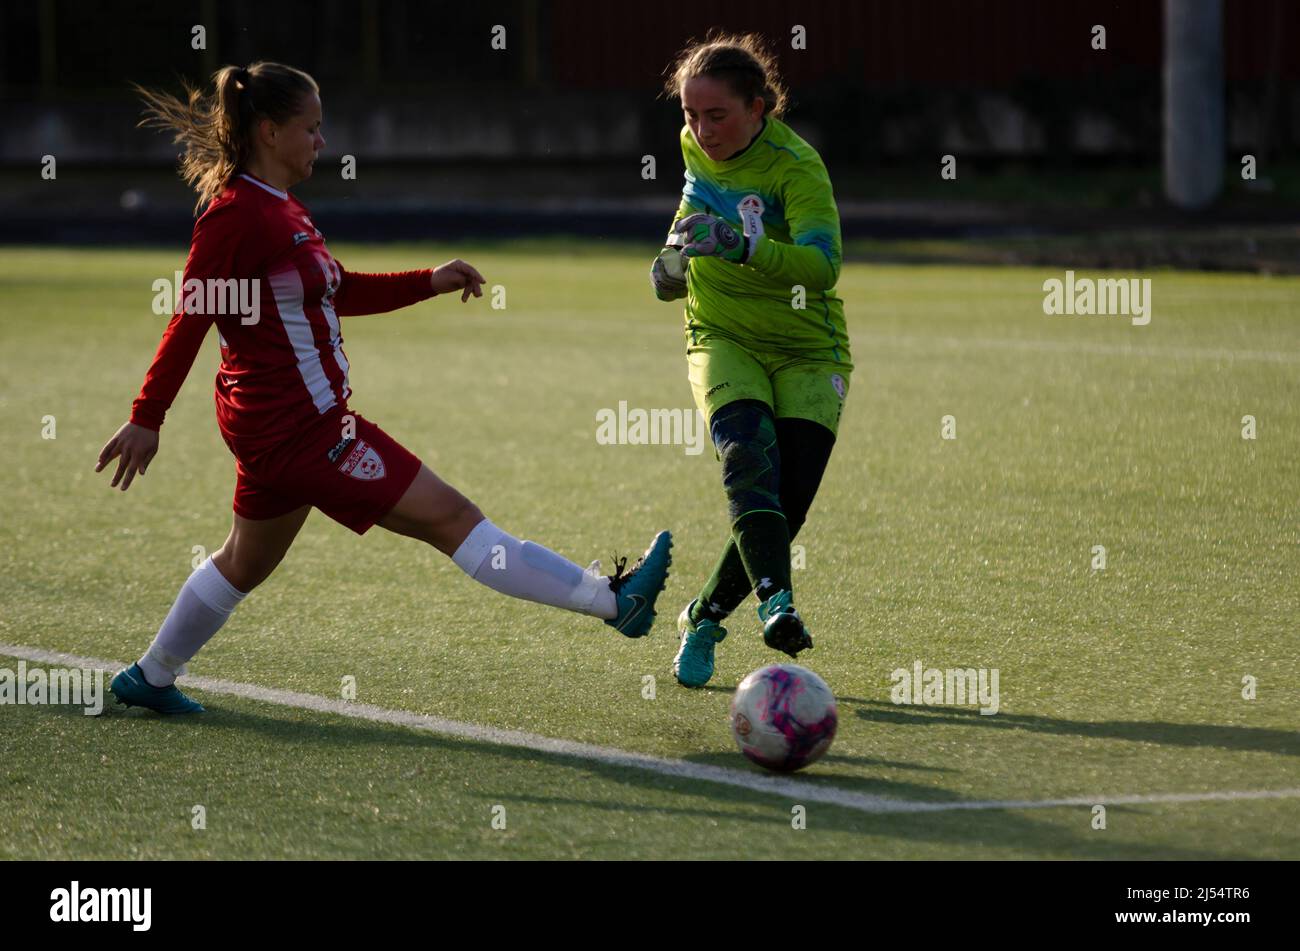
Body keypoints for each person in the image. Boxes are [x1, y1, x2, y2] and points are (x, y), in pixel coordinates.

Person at [99, 61, 672, 715]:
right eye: (310, 129)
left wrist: (428, 279)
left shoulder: (279, 208)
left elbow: (336, 289)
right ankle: (614, 601)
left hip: (277, 428)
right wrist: (148, 415)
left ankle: (150, 675)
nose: (322, 142)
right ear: (268, 131)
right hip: (304, 431)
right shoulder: (235, 217)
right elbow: (191, 314)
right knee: (454, 518)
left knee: (242, 561)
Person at [650, 35, 851, 688]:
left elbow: (822, 268)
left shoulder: (798, 167)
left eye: (717, 116)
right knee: (747, 458)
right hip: (721, 334)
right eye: (689, 115)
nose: (700, 131)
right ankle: (778, 604)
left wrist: (742, 245)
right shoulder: (692, 146)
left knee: (786, 504)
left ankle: (704, 615)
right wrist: (672, 259)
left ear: (758, 107)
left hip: (807, 347)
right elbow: (693, 201)